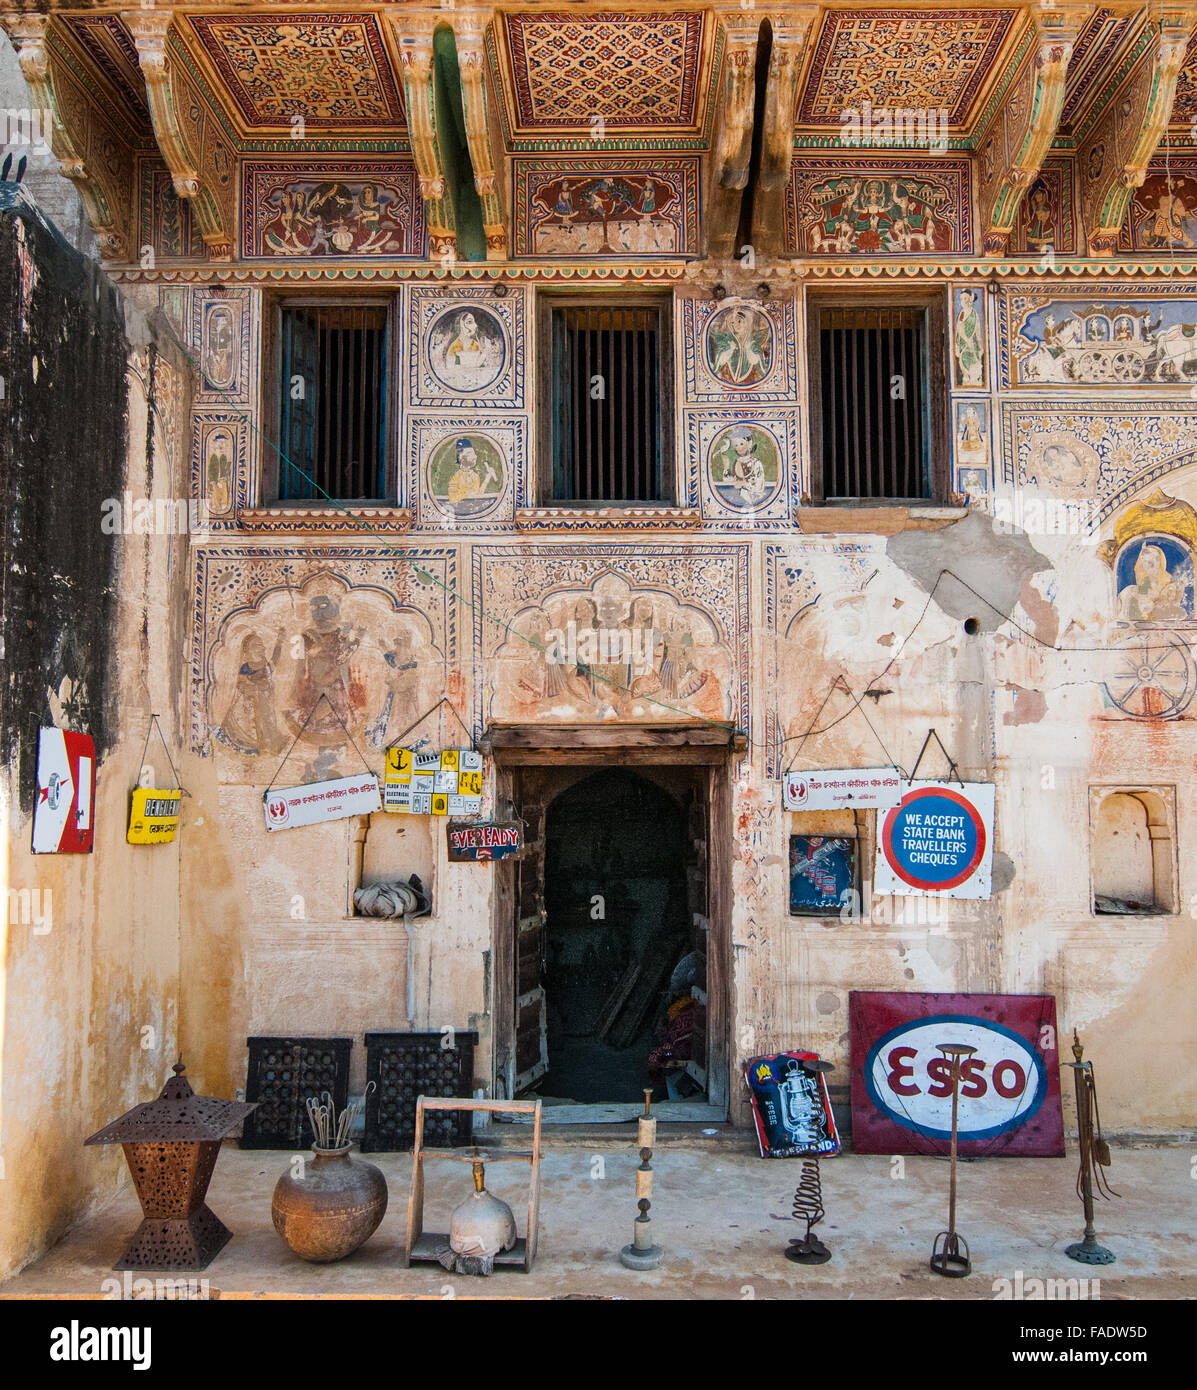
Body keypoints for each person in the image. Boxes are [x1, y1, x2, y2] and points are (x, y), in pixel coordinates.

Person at [954, 288, 984, 386]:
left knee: (973, 367)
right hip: (964, 345)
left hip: (971, 345)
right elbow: (959, 328)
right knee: (965, 368)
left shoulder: (973, 313)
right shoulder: (962, 313)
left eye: (965, 298)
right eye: (961, 299)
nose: (963, 301)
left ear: (970, 300)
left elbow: (973, 330)